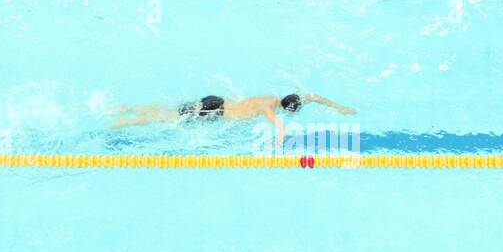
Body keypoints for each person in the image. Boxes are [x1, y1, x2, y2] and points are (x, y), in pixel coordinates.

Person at [113, 93, 356, 148]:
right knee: (167, 118)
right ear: (290, 110)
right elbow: (271, 116)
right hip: (215, 111)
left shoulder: (273, 98)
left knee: (170, 112)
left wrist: (340, 107)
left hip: (216, 101)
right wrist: (282, 133)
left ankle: (127, 108)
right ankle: (126, 122)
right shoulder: (269, 107)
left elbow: (312, 96)